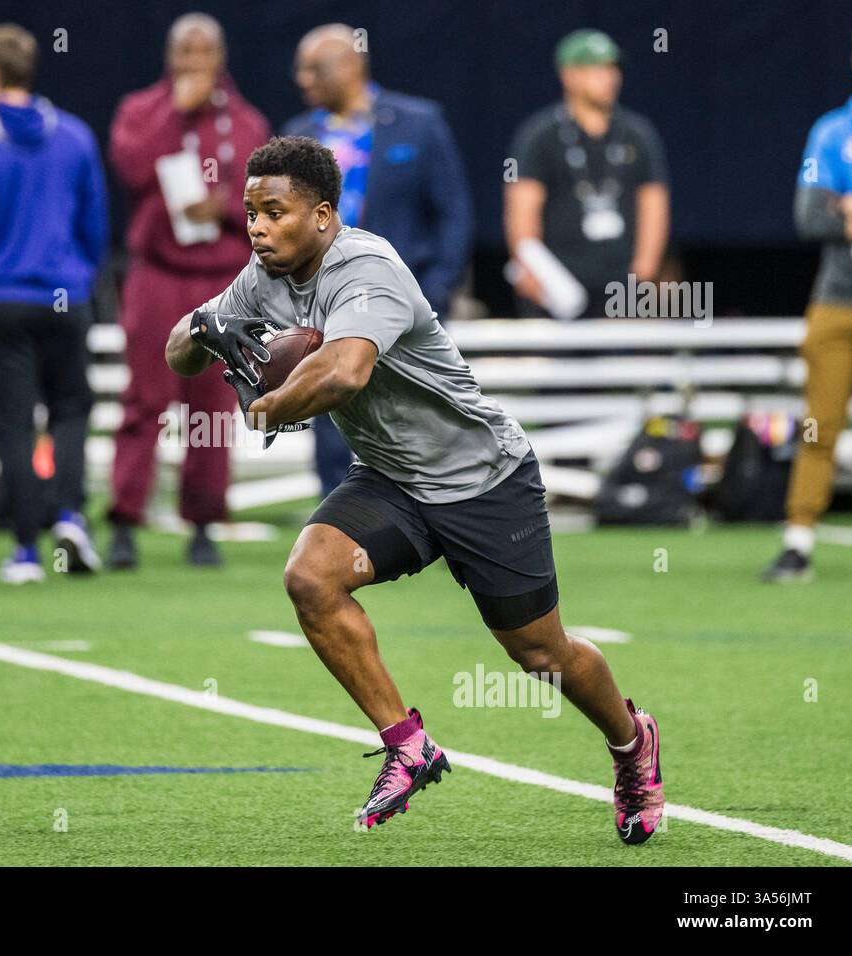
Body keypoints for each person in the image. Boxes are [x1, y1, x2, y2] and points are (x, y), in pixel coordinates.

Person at [166, 136, 664, 842]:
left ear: (323, 215)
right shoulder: (262, 273)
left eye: (273, 212)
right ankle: (407, 743)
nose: (256, 227)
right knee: (310, 578)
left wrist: (266, 406)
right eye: (250, 212)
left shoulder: (366, 267)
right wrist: (205, 327)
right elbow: (176, 354)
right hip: (392, 479)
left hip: (481, 479)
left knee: (540, 654)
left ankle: (629, 740)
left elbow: (344, 373)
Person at [0, 23, 107, 585]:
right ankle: (71, 517)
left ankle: (27, 550)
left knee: (11, 424)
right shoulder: (76, 137)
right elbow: (95, 227)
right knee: (72, 408)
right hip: (65, 297)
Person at [104, 13, 270, 568]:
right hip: (157, 274)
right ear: (170, 57)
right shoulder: (139, 111)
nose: (195, 62)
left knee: (212, 406)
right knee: (145, 399)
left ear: (220, 59)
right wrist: (177, 109)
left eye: (205, 52)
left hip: (220, 279)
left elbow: (267, 204)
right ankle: (125, 522)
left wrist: (223, 206)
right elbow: (130, 166)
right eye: (185, 51)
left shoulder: (246, 122)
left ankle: (202, 524)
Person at [285, 23, 473, 500]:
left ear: (351, 65)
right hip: (325, 300)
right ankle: (338, 515)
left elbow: (453, 213)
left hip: (403, 302)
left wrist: (436, 292)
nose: (303, 78)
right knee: (331, 409)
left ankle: (431, 509)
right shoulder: (297, 136)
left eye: (315, 68)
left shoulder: (419, 123)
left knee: (415, 410)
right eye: (300, 69)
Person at [763, 18, 852, 583]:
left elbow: (831, 209)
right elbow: (807, 215)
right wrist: (844, 215)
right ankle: (798, 540)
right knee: (817, 425)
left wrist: (850, 206)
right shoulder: (832, 130)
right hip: (840, 298)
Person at [505, 29, 669, 319]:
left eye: (612, 68)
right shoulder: (541, 136)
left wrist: (645, 266)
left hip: (619, 283)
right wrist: (529, 267)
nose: (610, 77)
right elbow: (522, 207)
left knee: (620, 362)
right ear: (570, 75)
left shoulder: (637, 134)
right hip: (558, 284)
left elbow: (653, 201)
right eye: (598, 69)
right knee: (550, 361)